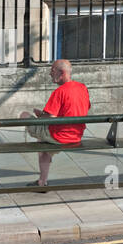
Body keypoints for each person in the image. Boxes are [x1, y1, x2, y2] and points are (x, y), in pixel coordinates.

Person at [20, 58, 91, 188]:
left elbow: (49, 118)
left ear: (62, 72)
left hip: (59, 136)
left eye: (52, 70)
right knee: (43, 147)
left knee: (24, 115)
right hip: (76, 135)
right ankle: (42, 182)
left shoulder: (59, 91)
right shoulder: (82, 88)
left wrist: (39, 114)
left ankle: (42, 182)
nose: (50, 74)